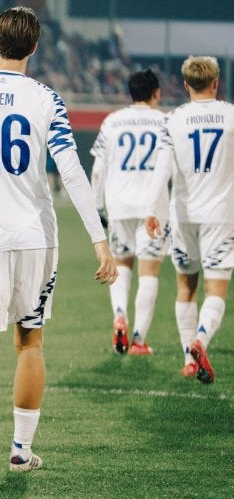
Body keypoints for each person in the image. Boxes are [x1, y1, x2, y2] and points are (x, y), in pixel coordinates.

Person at [0, 6, 116, 486]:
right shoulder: (46, 99)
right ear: (34, 48)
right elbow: (70, 171)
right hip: (35, 239)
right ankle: (21, 450)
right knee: (29, 342)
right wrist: (100, 238)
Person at [145, 55, 234, 384]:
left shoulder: (173, 120)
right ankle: (202, 339)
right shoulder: (230, 116)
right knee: (216, 290)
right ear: (216, 84)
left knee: (186, 287)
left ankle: (188, 357)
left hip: (183, 217)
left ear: (185, 86)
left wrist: (153, 210)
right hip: (222, 217)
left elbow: (161, 170)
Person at [90, 69, 169, 356]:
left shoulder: (113, 121)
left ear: (130, 93)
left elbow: (98, 170)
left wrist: (97, 206)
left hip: (119, 205)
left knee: (121, 266)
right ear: (156, 93)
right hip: (153, 209)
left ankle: (120, 314)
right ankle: (138, 339)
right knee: (149, 272)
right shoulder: (164, 121)